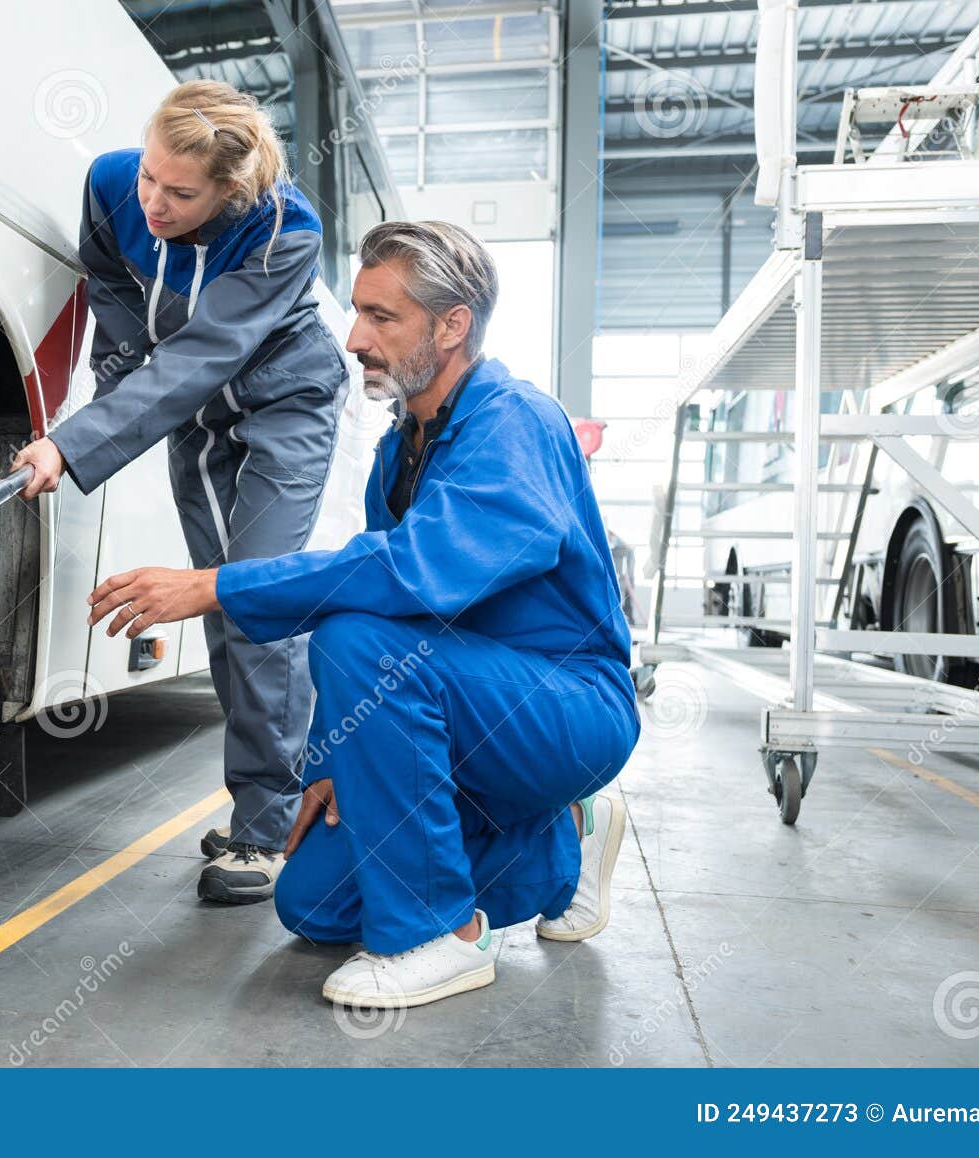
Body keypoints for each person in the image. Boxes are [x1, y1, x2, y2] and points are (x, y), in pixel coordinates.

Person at [84, 220, 640, 1009]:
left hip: (566, 707)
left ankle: (436, 935)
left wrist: (220, 585)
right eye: (357, 312)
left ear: (453, 327)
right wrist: (331, 761)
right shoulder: (400, 449)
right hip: (466, 710)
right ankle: (560, 846)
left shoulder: (515, 419)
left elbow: (416, 573)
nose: (354, 339)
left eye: (383, 317)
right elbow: (373, 591)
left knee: (357, 642)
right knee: (313, 904)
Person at [11, 79, 350, 904]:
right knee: (226, 614)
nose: (154, 203)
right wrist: (117, 371)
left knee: (256, 601)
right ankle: (263, 807)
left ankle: (268, 835)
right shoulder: (108, 183)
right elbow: (116, 290)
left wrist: (76, 439)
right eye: (150, 181)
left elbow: (205, 353)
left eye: (181, 193)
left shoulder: (285, 228)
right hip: (199, 420)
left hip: (281, 402)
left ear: (228, 192)